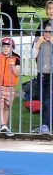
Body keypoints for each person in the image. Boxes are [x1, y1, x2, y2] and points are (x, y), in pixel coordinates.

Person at [0, 36, 20, 136]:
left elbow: (16, 73)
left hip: (10, 86)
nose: (5, 48)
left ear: (12, 47)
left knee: (7, 106)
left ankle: (4, 127)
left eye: (8, 46)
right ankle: (3, 124)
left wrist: (12, 65)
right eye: (3, 46)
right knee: (0, 104)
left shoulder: (16, 58)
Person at [34, 7, 53, 135]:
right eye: (45, 32)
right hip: (42, 71)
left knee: (48, 99)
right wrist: (38, 43)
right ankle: (45, 125)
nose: (47, 34)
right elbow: (33, 54)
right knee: (44, 98)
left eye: (50, 32)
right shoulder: (40, 38)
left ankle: (47, 125)